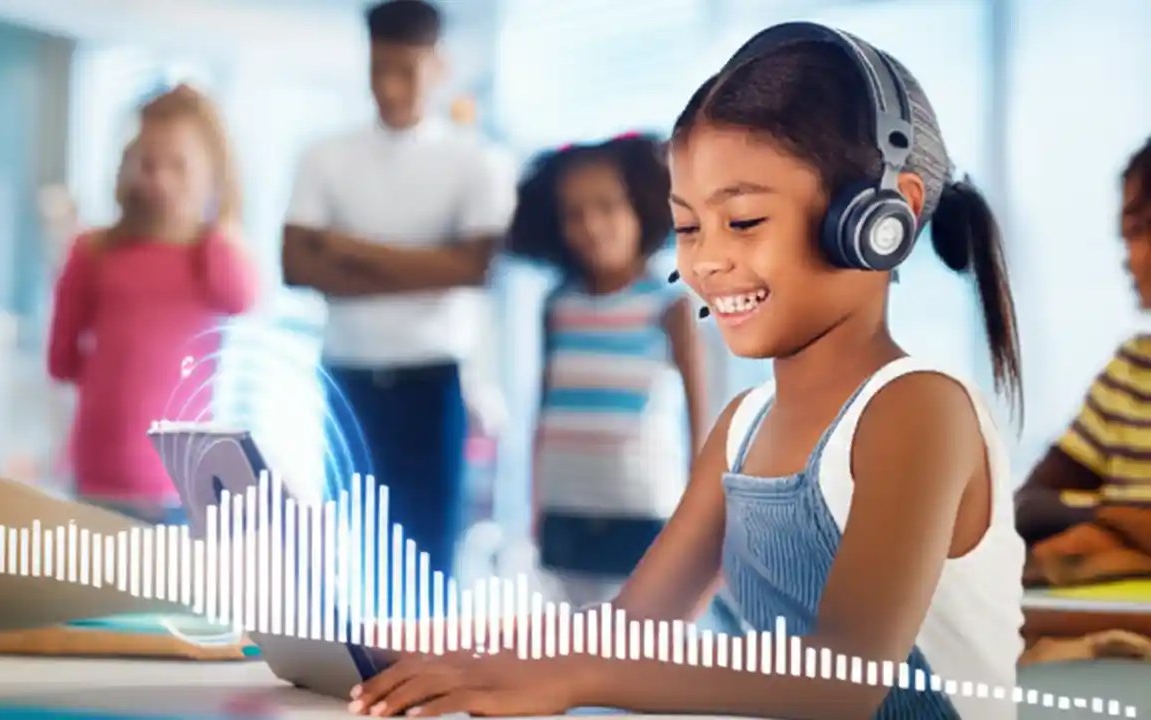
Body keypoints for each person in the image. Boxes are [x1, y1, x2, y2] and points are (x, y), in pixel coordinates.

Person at [348, 23, 1026, 719]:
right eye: (688, 226)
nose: (704, 262)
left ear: (884, 217)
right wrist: (434, 644)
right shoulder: (744, 427)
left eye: (743, 221)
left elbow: (842, 683)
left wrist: (576, 681)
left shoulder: (918, 410)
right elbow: (630, 631)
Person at [280, 0, 515, 583]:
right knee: (346, 556)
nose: (390, 87)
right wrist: (432, 262)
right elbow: (295, 265)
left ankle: (422, 675)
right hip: (345, 376)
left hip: (431, 381)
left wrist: (350, 247)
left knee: (428, 558)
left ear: (439, 67)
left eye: (406, 70)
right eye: (379, 68)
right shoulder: (324, 155)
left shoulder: (474, 160)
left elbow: (476, 270)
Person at [506, 134, 707, 607]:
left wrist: (698, 518)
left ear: (640, 207)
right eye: (574, 214)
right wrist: (534, 505)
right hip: (564, 506)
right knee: (570, 637)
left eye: (607, 207)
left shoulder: (669, 306)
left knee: (638, 644)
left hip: (640, 507)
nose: (591, 226)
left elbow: (699, 417)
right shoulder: (557, 305)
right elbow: (544, 408)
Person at [47, 84, 258, 525]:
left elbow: (245, 298)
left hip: (182, 487)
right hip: (98, 478)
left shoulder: (214, 256)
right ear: (127, 164)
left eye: (179, 166)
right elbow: (60, 361)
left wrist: (219, 221)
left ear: (213, 173)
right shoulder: (91, 251)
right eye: (147, 163)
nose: (159, 180)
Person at [1016, 137, 1151, 586]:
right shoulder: (1132, 370)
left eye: (1147, 228)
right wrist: (1125, 519)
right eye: (1129, 235)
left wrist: (1106, 531)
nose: (1133, 258)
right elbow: (1028, 507)